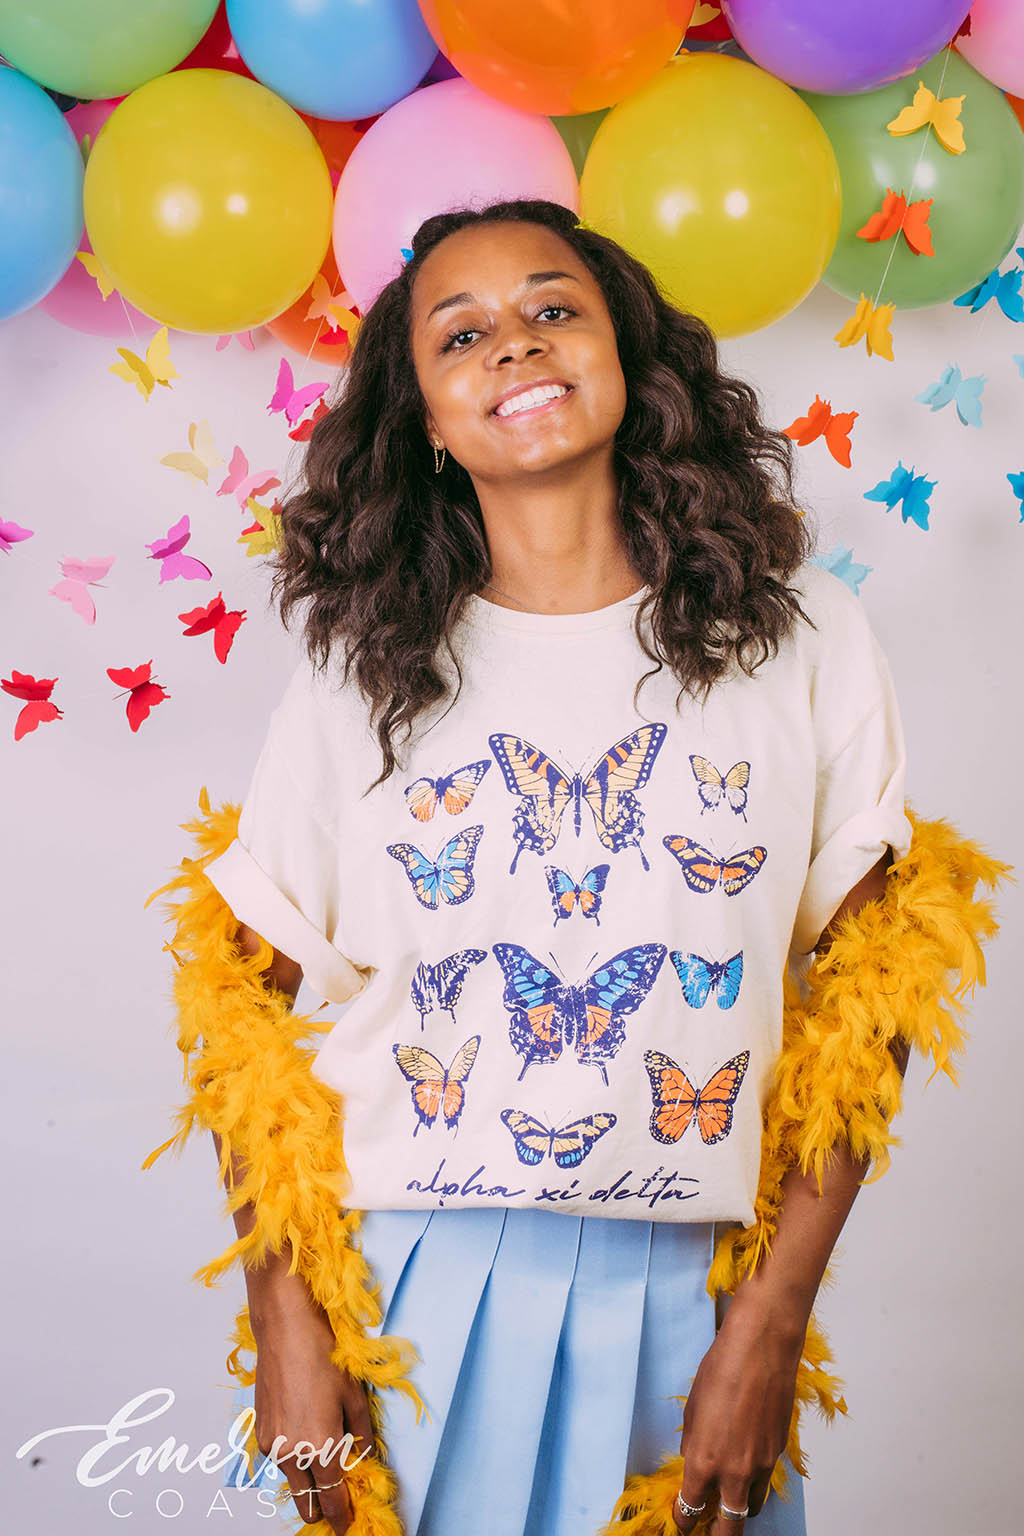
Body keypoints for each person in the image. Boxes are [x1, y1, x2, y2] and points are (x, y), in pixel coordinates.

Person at [196, 196, 920, 1536]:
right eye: (461, 334)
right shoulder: (361, 675)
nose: (514, 346)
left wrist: (771, 1326)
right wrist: (286, 1324)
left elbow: (878, 996)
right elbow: (236, 1002)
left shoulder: (802, 635)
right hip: (409, 1289)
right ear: (425, 417)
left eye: (551, 309)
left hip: (698, 1289)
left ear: (626, 355)